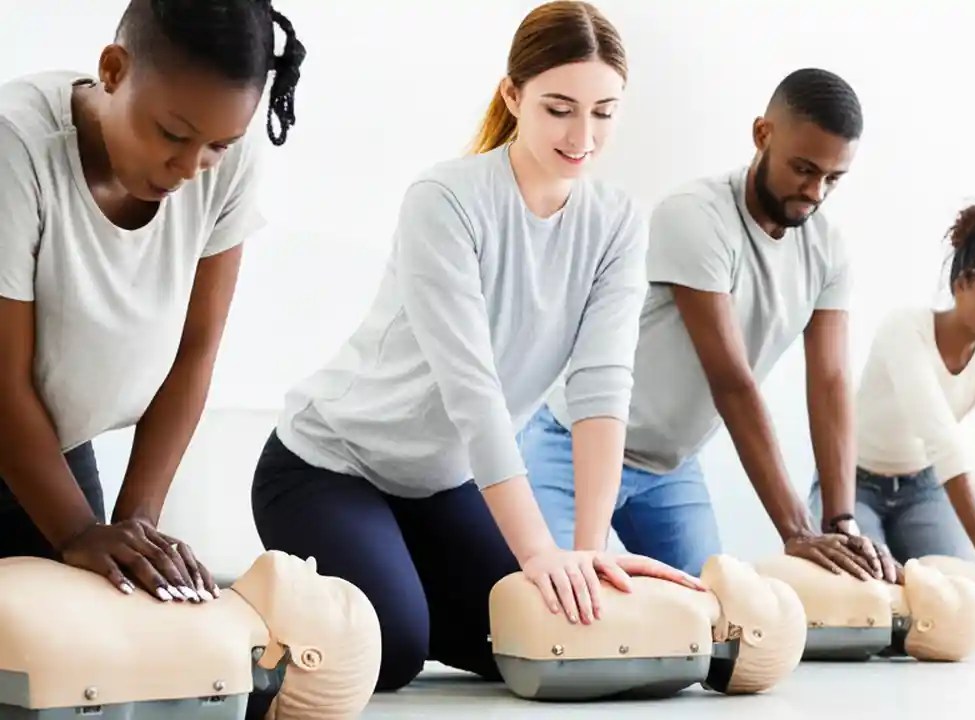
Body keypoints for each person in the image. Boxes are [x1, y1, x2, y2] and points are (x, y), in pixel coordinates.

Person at [250, 0, 699, 694]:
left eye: (604, 112)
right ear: (512, 95)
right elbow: (473, 392)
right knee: (391, 651)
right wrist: (537, 551)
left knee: (538, 636)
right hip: (328, 466)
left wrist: (588, 552)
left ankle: (397, 581)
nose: (582, 135)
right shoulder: (446, 199)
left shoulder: (615, 224)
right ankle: (257, 611)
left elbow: (603, 388)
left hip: (440, 485)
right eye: (559, 109)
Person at [521, 67, 898, 582]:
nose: (815, 191)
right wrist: (796, 529)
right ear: (762, 134)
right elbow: (732, 381)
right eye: (804, 169)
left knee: (715, 615)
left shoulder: (827, 249)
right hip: (574, 446)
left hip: (669, 471)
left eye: (833, 178)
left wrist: (840, 520)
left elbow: (830, 382)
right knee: (565, 600)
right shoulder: (696, 215)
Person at [0, 0, 304, 603]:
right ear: (113, 70)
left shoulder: (224, 162)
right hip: (13, 423)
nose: (190, 168)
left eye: (219, 145)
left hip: (51, 447)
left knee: (100, 623)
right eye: (172, 134)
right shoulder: (16, 148)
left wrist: (138, 524)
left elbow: (195, 353)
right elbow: (2, 379)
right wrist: (79, 530)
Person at [806, 202, 975, 579]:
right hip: (851, 483)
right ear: (962, 285)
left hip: (923, 488)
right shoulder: (904, 329)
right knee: (869, 583)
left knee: (962, 586)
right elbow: (941, 436)